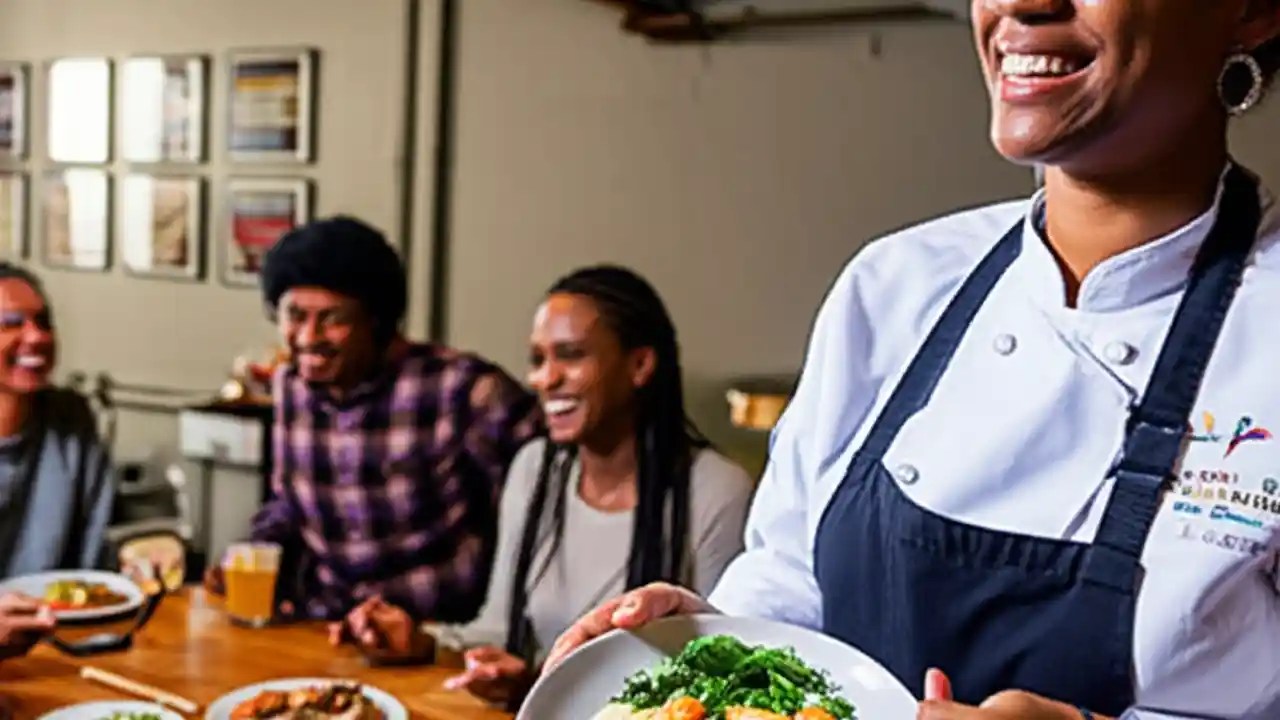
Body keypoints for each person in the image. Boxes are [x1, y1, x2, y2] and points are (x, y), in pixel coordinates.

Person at [544, 0, 1280, 718]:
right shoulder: (895, 286)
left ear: (1251, 11)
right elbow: (793, 578)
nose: (1022, 5)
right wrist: (710, 650)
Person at [329, 265, 755, 708]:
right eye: (537, 359)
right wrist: (419, 642)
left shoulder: (715, 491)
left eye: (569, 355)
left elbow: (721, 675)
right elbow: (496, 631)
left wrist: (536, 682)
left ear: (640, 365)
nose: (543, 379)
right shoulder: (534, 470)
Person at [204, 216, 542, 623]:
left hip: (433, 636)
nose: (309, 337)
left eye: (332, 318)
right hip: (325, 624)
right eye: (295, 315)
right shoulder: (290, 386)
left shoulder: (464, 390)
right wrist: (253, 554)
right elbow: (291, 505)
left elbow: (545, 508)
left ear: (377, 320)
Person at [0, 263, 114, 579]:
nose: (36, 337)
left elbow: (99, 552)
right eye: (10, 323)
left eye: (44, 322)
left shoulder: (71, 419)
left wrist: (144, 551)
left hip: (59, 624)